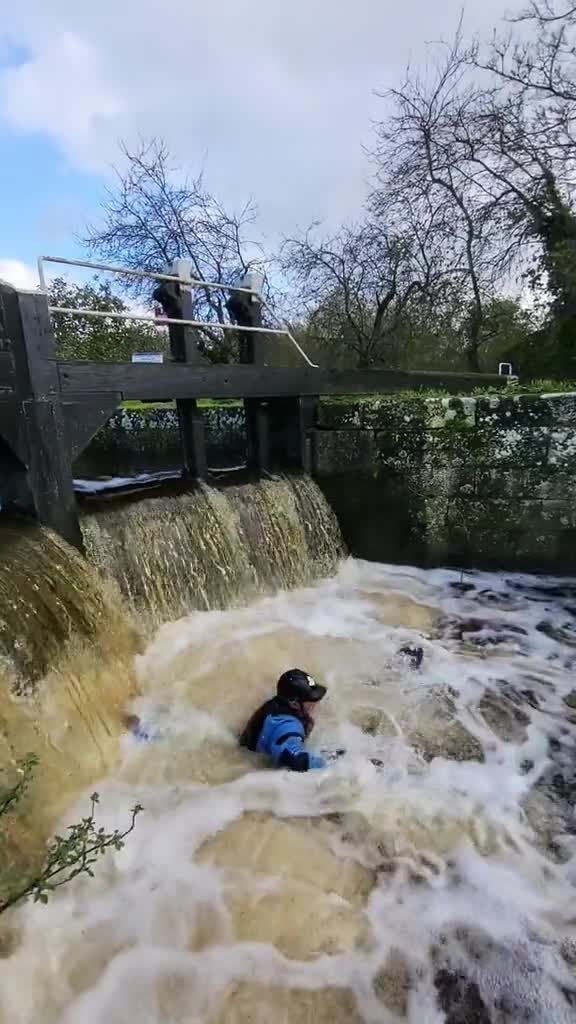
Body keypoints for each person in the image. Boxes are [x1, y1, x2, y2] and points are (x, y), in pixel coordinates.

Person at [239, 669, 327, 771]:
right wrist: (330, 763)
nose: (317, 705)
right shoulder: (288, 725)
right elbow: (297, 761)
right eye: (311, 702)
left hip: (247, 752)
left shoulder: (277, 703)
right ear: (294, 703)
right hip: (256, 769)